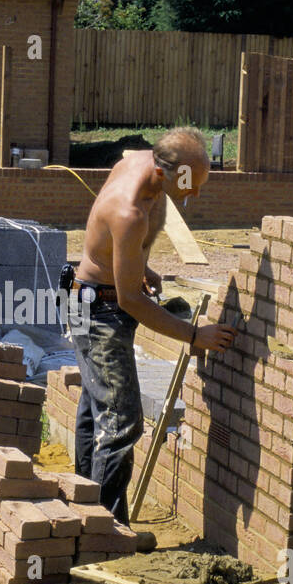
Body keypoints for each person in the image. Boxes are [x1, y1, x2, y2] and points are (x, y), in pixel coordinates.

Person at [71, 127, 236, 546]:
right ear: (164, 174)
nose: (195, 195)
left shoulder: (141, 164)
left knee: (96, 410)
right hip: (98, 311)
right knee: (123, 421)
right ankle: (106, 532)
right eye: (190, 186)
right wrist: (194, 334)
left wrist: (138, 262)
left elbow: (123, 260)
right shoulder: (130, 213)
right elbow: (131, 302)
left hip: (95, 298)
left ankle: (82, 512)